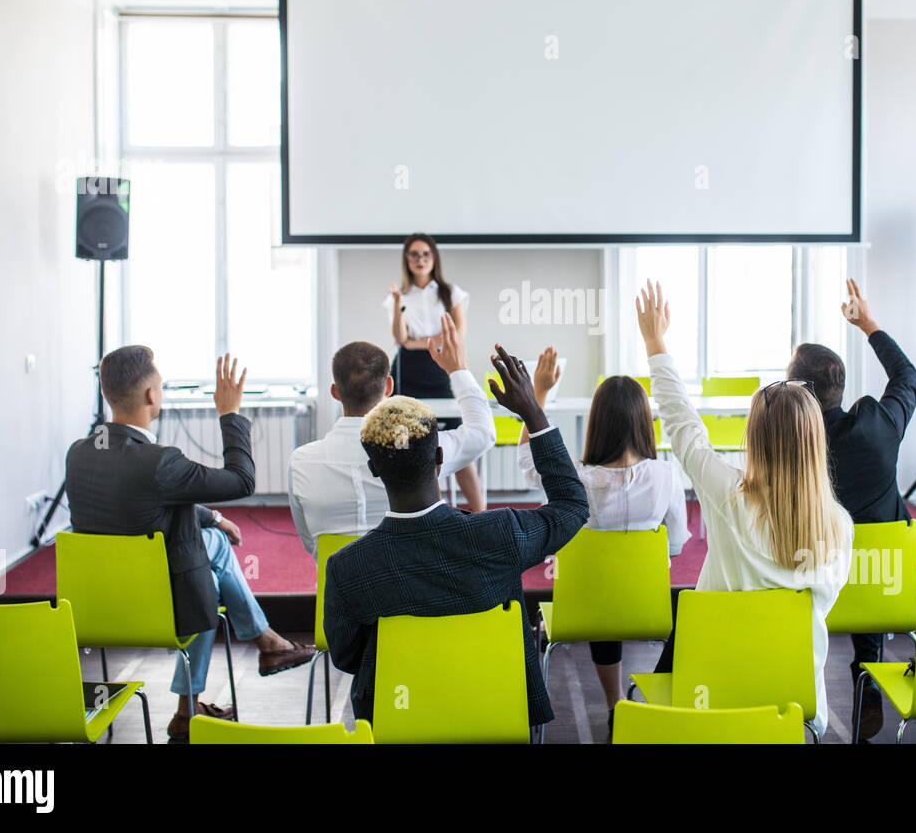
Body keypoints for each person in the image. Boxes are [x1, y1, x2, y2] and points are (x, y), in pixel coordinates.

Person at [323, 345, 589, 733]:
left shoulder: (348, 567)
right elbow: (572, 505)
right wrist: (532, 411)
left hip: (401, 720)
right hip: (498, 710)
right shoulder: (499, 534)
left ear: (374, 469)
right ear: (439, 459)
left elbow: (348, 658)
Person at [65, 345, 316, 741]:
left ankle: (258, 651)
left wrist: (213, 517)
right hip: (160, 607)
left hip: (99, 607)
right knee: (206, 573)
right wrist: (229, 413)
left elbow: (140, 501)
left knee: (209, 549)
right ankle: (260, 645)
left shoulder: (79, 454)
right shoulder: (161, 461)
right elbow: (241, 481)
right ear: (152, 395)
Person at [636, 280, 852, 739]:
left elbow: (682, 426)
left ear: (753, 438)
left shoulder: (729, 495)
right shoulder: (839, 526)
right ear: (815, 443)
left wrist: (656, 343)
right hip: (795, 702)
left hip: (711, 688)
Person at [516, 348, 689, 732]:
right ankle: (648, 704)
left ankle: (615, 705)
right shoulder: (667, 477)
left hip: (584, 610)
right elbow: (675, 545)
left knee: (603, 599)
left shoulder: (574, 478)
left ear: (597, 423)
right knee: (678, 613)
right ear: (645, 422)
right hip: (649, 608)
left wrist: (538, 394)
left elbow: (529, 463)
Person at [786, 277, 916, 741]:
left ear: (797, 392)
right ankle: (869, 674)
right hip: (883, 585)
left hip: (814, 583)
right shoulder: (880, 425)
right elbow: (908, 378)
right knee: (871, 554)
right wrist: (867, 324)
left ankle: (796, 697)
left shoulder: (793, 445)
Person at [288, 314, 497, 556]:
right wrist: (458, 369)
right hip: (408, 590)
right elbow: (482, 433)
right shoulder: (418, 452)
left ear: (335, 392)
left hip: (336, 591)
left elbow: (310, 544)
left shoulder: (301, 462)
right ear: (389, 386)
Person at [384, 232, 485, 511]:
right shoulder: (400, 296)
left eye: (425, 254)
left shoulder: (451, 292)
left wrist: (420, 342)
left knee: (460, 447)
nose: (420, 260)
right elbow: (400, 338)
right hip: (409, 371)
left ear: (434, 259)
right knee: (417, 451)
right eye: (414, 255)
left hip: (441, 368)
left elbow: (456, 335)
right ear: (407, 260)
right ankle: (431, 516)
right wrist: (396, 304)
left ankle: (481, 516)